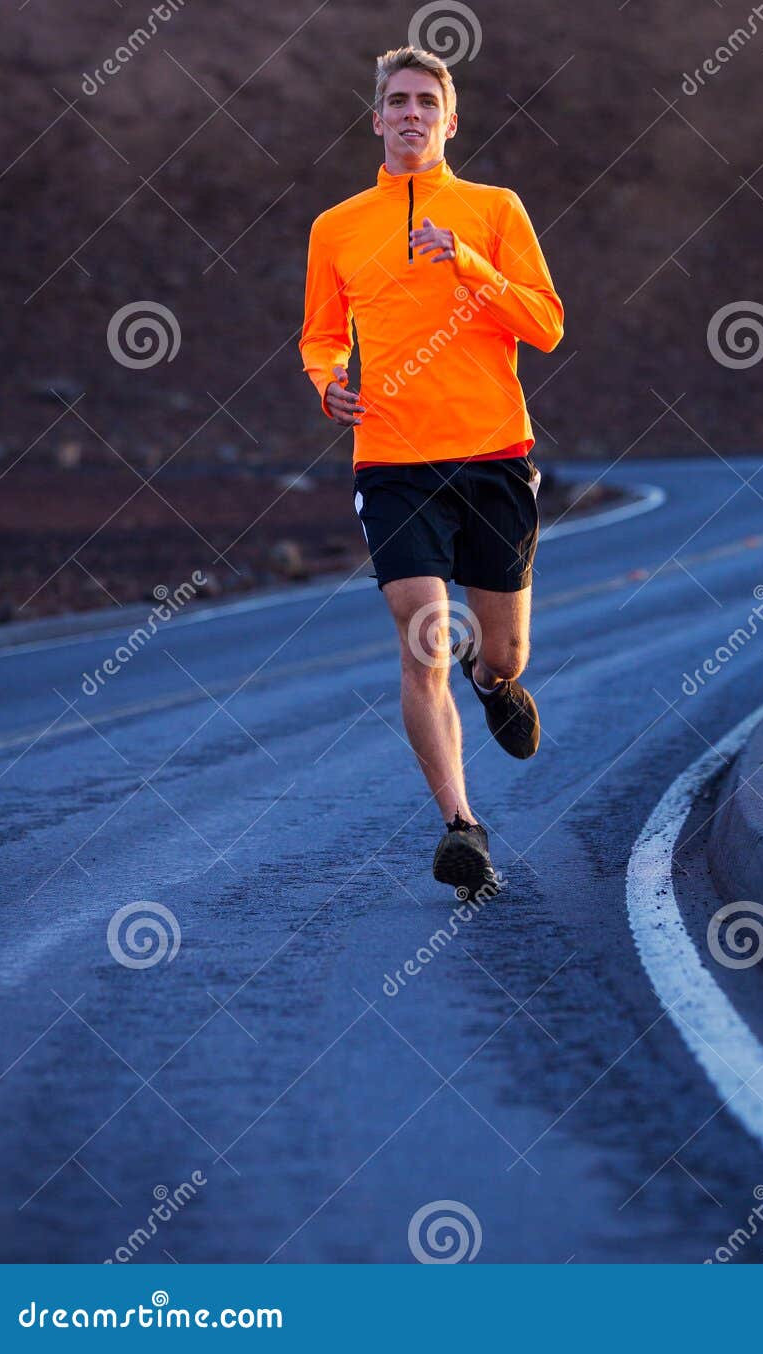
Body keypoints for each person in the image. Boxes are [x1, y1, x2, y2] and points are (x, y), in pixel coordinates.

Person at [299, 45, 564, 899]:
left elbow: (546, 325)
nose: (410, 114)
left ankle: (493, 684)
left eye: (426, 102)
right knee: (421, 640)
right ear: (376, 119)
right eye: (396, 101)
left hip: (493, 454)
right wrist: (327, 382)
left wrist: (467, 262)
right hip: (392, 457)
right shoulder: (336, 227)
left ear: (450, 122)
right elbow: (319, 335)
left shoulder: (494, 209)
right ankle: (462, 826)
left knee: (502, 651)